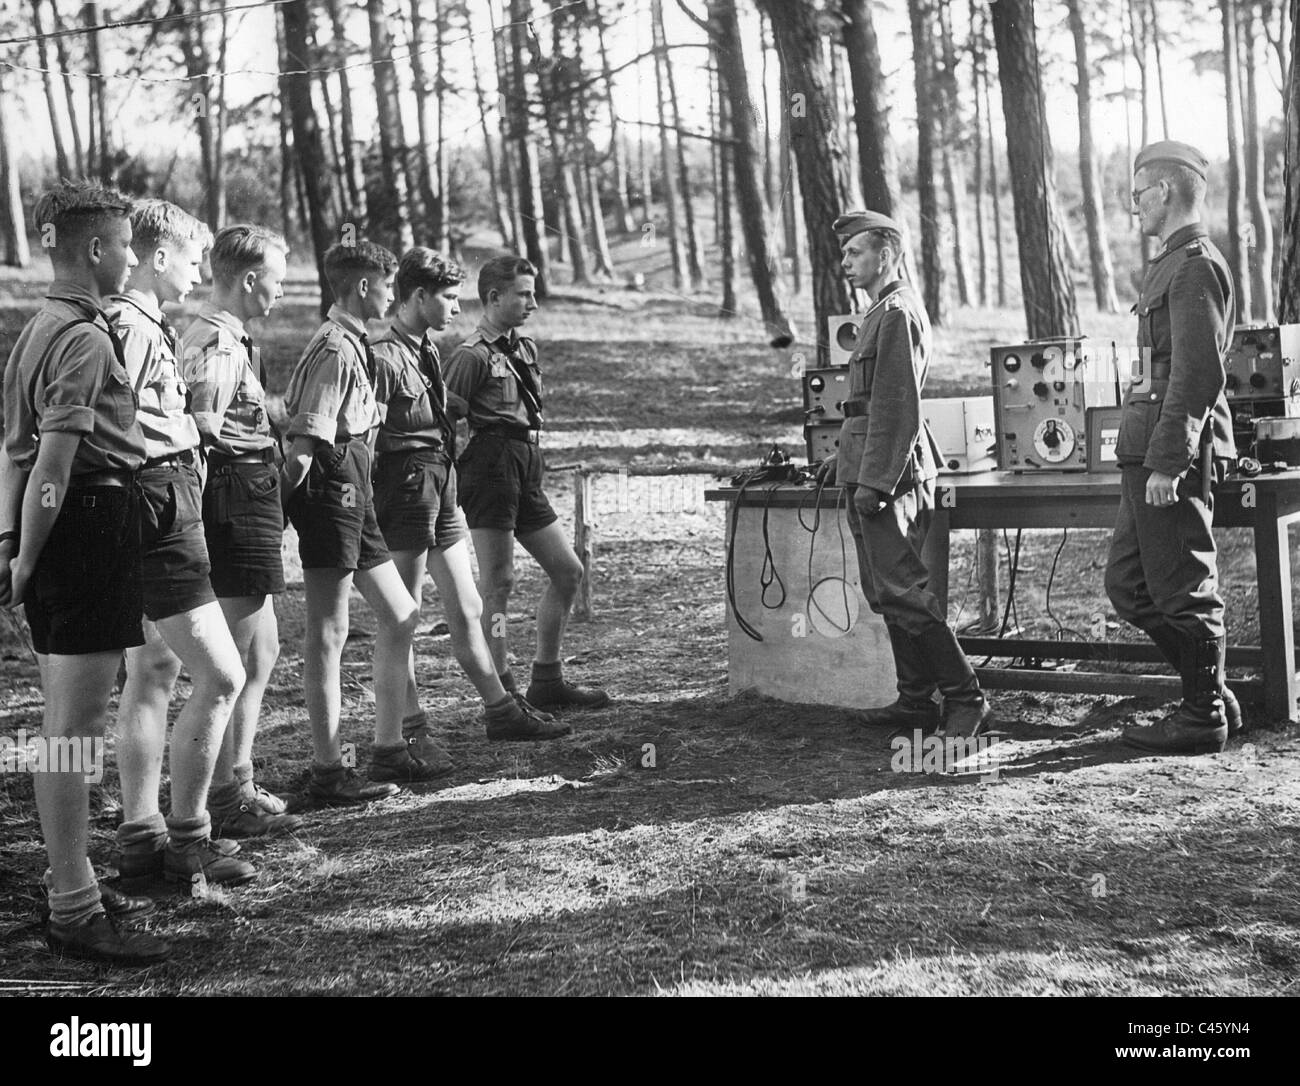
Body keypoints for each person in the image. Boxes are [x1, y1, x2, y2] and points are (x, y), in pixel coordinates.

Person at [0, 181, 169, 963]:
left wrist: (11, 542)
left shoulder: (38, 328)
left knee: (63, 724)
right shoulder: (87, 339)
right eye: (128, 246)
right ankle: (72, 902)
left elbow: (13, 452)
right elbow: (53, 466)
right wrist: (29, 557)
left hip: (65, 530)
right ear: (97, 251)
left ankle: (72, 887)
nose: (134, 260)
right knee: (72, 729)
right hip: (87, 527)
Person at [105, 200, 257, 890]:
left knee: (153, 674)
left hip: (151, 501)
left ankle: (141, 835)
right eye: (192, 257)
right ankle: (189, 837)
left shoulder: (138, 322)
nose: (199, 271)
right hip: (158, 502)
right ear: (158, 256)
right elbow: (120, 426)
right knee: (222, 676)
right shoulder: (132, 327)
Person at [370, 247, 567, 746]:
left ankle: (520, 696)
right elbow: (423, 420)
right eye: (450, 298)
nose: (458, 308)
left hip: (471, 475)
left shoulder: (441, 351)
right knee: (414, 610)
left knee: (503, 593)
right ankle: (414, 729)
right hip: (439, 480)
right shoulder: (428, 355)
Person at [818, 211, 993, 738]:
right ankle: (915, 700)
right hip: (867, 462)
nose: (845, 262)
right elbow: (870, 407)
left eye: (855, 253)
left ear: (886, 255)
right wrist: (844, 459)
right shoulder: (880, 311)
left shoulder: (895, 312)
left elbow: (898, 406)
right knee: (887, 592)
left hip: (887, 473)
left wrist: (875, 481)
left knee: (906, 591)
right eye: (845, 253)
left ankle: (967, 700)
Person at [282, 238, 440, 804]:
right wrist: (276, 515)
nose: (395, 294)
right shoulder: (335, 347)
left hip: (356, 485)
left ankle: (388, 748)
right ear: (365, 287)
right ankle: (328, 771)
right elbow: (303, 448)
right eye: (389, 284)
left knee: (401, 613)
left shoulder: (353, 341)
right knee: (329, 630)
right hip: (331, 485)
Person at [1105, 140, 1237, 756]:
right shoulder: (1170, 264)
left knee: (1184, 586)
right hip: (1144, 447)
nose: (1134, 207)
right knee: (1129, 588)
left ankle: (1201, 715)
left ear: (1164, 192)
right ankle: (1206, 688)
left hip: (1166, 454)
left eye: (1138, 195)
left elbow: (1196, 374)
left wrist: (1170, 461)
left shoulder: (1194, 266)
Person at [443, 255, 609, 712]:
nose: (533, 303)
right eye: (524, 294)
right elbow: (446, 416)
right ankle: (503, 689)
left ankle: (547, 679)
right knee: (499, 581)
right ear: (494, 298)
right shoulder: (471, 355)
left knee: (568, 570)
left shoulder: (525, 349)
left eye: (533, 293)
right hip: (489, 464)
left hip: (524, 461)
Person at [180, 224, 304, 835]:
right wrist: (198, 526)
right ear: (251, 279)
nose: (281, 292)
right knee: (236, 654)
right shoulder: (219, 345)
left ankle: (240, 779)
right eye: (278, 280)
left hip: (248, 494)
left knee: (263, 648)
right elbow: (200, 436)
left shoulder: (227, 337)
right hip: (232, 497)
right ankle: (225, 797)